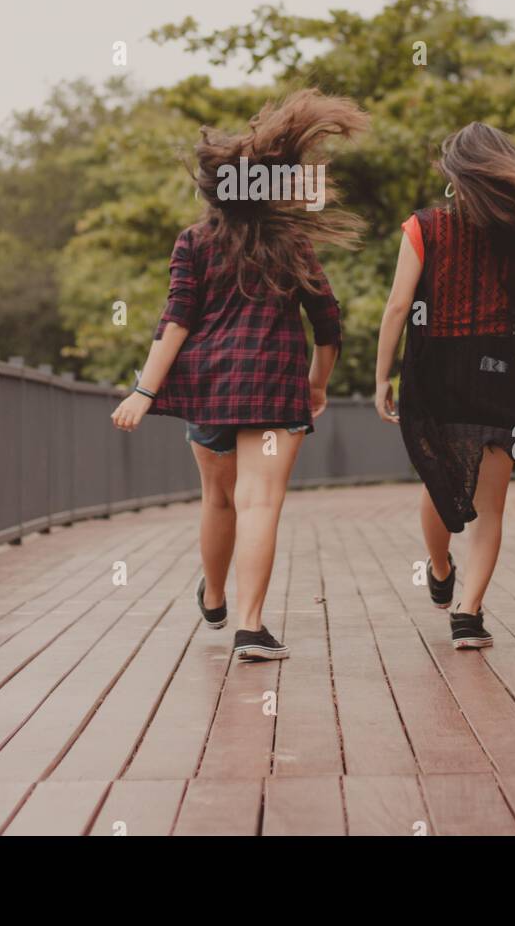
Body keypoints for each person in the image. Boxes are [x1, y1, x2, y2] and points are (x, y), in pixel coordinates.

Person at [112, 89, 367, 661]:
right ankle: (250, 627)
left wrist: (144, 390)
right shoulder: (293, 242)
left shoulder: (194, 242)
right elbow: (328, 323)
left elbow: (176, 320)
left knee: (217, 499)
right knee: (259, 505)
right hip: (274, 391)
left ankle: (215, 596)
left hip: (209, 391)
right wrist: (317, 383)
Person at [374, 122, 515, 650]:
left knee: (438, 483)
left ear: (456, 174)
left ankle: (440, 569)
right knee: (490, 507)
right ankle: (468, 615)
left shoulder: (423, 227)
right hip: (499, 375)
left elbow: (399, 306)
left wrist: (383, 376)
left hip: (436, 374)